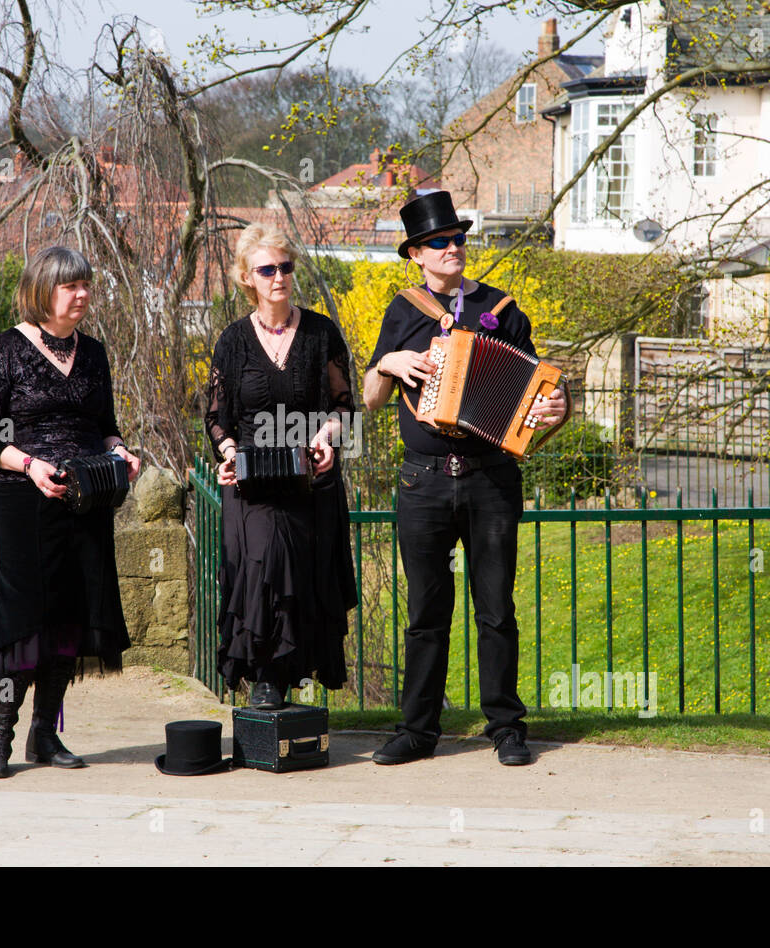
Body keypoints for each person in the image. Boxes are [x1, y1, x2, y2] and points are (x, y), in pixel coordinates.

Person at [362, 191, 568, 766]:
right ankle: (417, 731)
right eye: (438, 242)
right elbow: (371, 401)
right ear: (415, 255)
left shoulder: (501, 309)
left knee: (496, 608)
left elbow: (538, 386)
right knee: (426, 612)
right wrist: (387, 364)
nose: (452, 248)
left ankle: (506, 727)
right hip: (423, 482)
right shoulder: (403, 311)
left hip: (490, 478)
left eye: (457, 239)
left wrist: (557, 408)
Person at [0, 245, 142, 778]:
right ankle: (1, 735)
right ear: (43, 291)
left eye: (86, 284)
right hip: (23, 498)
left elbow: (104, 423)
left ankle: (46, 734)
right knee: (24, 619)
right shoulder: (5, 349)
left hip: (87, 497)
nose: (82, 294)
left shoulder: (93, 353)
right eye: (71, 286)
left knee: (72, 612)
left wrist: (119, 450)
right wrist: (30, 465)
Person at [205, 223, 357, 710]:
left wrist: (328, 437)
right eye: (267, 269)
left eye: (285, 267)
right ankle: (267, 675)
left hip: (310, 475)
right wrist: (227, 456)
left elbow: (344, 406)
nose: (279, 277)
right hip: (250, 481)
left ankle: (286, 677)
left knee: (302, 567)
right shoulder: (232, 341)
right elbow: (216, 418)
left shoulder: (319, 332)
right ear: (247, 277)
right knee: (267, 553)